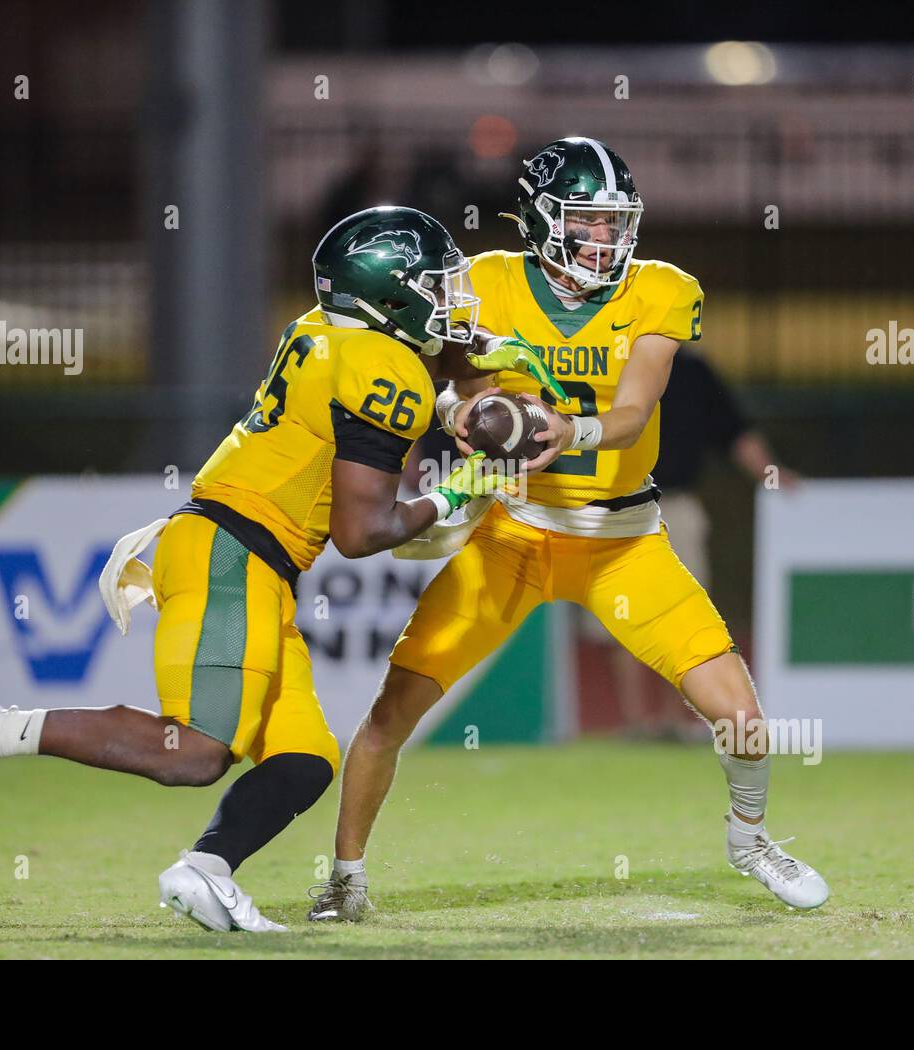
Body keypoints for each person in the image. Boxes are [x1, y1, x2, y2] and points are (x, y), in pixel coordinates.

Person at [0, 206, 530, 934]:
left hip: (240, 553)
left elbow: (418, 376)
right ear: (391, 295)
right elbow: (362, 534)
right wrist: (459, 488)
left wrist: (492, 360)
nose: (451, 300)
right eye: (437, 285)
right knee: (195, 752)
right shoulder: (383, 369)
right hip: (232, 554)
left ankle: (205, 870)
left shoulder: (323, 332)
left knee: (304, 758)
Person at [309, 138, 828, 922]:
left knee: (743, 719)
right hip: (512, 537)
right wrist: (471, 414)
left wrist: (567, 429)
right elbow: (440, 377)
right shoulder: (485, 281)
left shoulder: (657, 289)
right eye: (586, 221)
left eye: (616, 222)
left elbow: (634, 410)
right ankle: (344, 880)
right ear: (542, 220)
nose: (606, 239)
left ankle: (750, 840)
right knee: (389, 715)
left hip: (623, 542)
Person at [604, 348, 799, 740]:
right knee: (618, 614)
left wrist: (774, 477)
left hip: (675, 505)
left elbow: (733, 432)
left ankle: (673, 721)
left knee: (683, 616)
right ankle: (635, 722)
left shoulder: (693, 370)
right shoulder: (609, 356)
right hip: (610, 504)